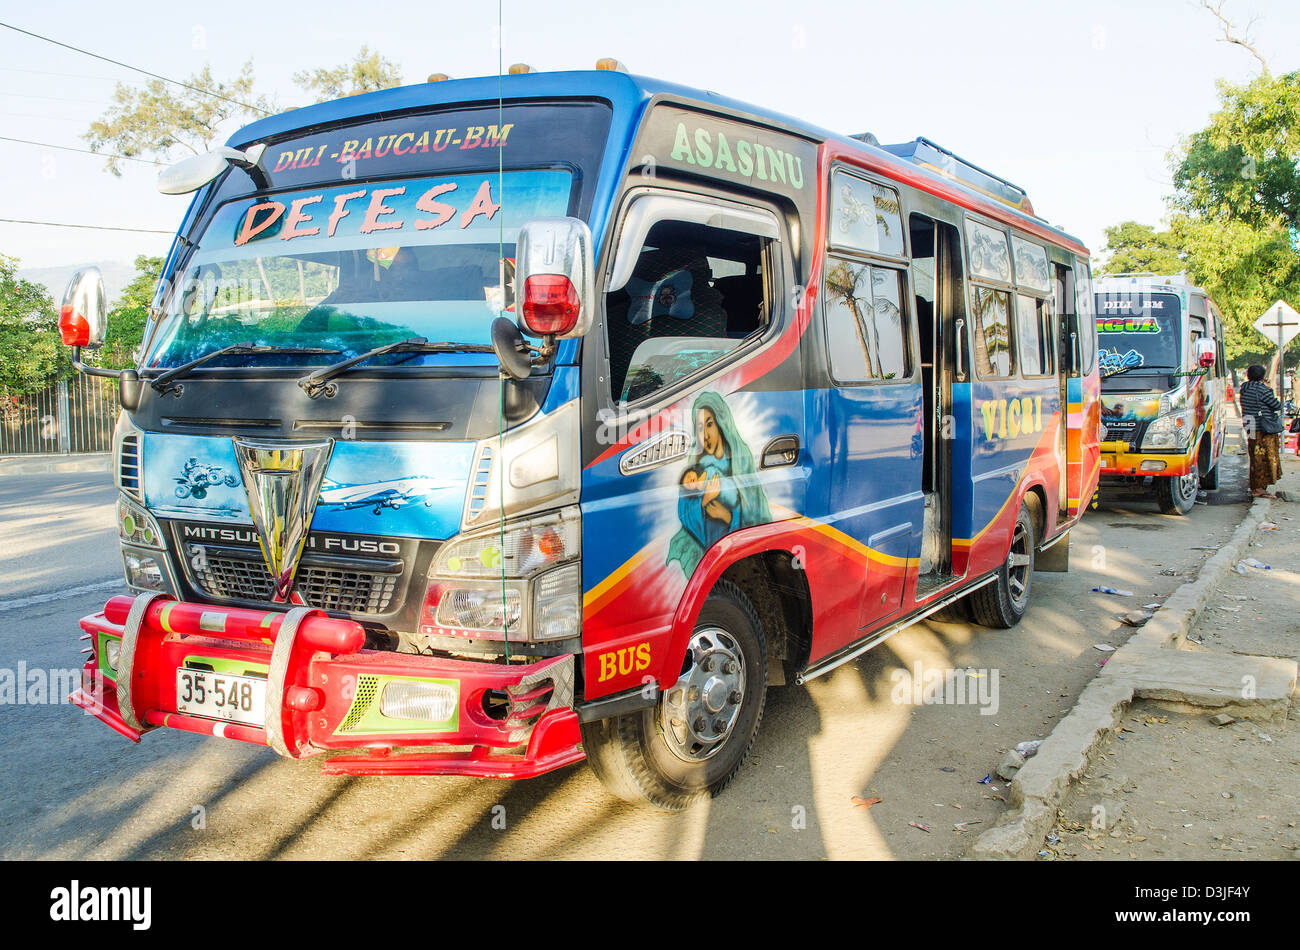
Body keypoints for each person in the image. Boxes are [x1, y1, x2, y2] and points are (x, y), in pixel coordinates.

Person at [1239, 363, 1284, 498]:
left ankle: (1255, 486)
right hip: (1262, 428)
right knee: (1263, 457)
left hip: (1250, 425)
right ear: (1262, 376)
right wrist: (1269, 389)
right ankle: (1259, 489)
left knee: (1254, 456)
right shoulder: (1261, 389)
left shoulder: (1244, 388)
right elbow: (1277, 405)